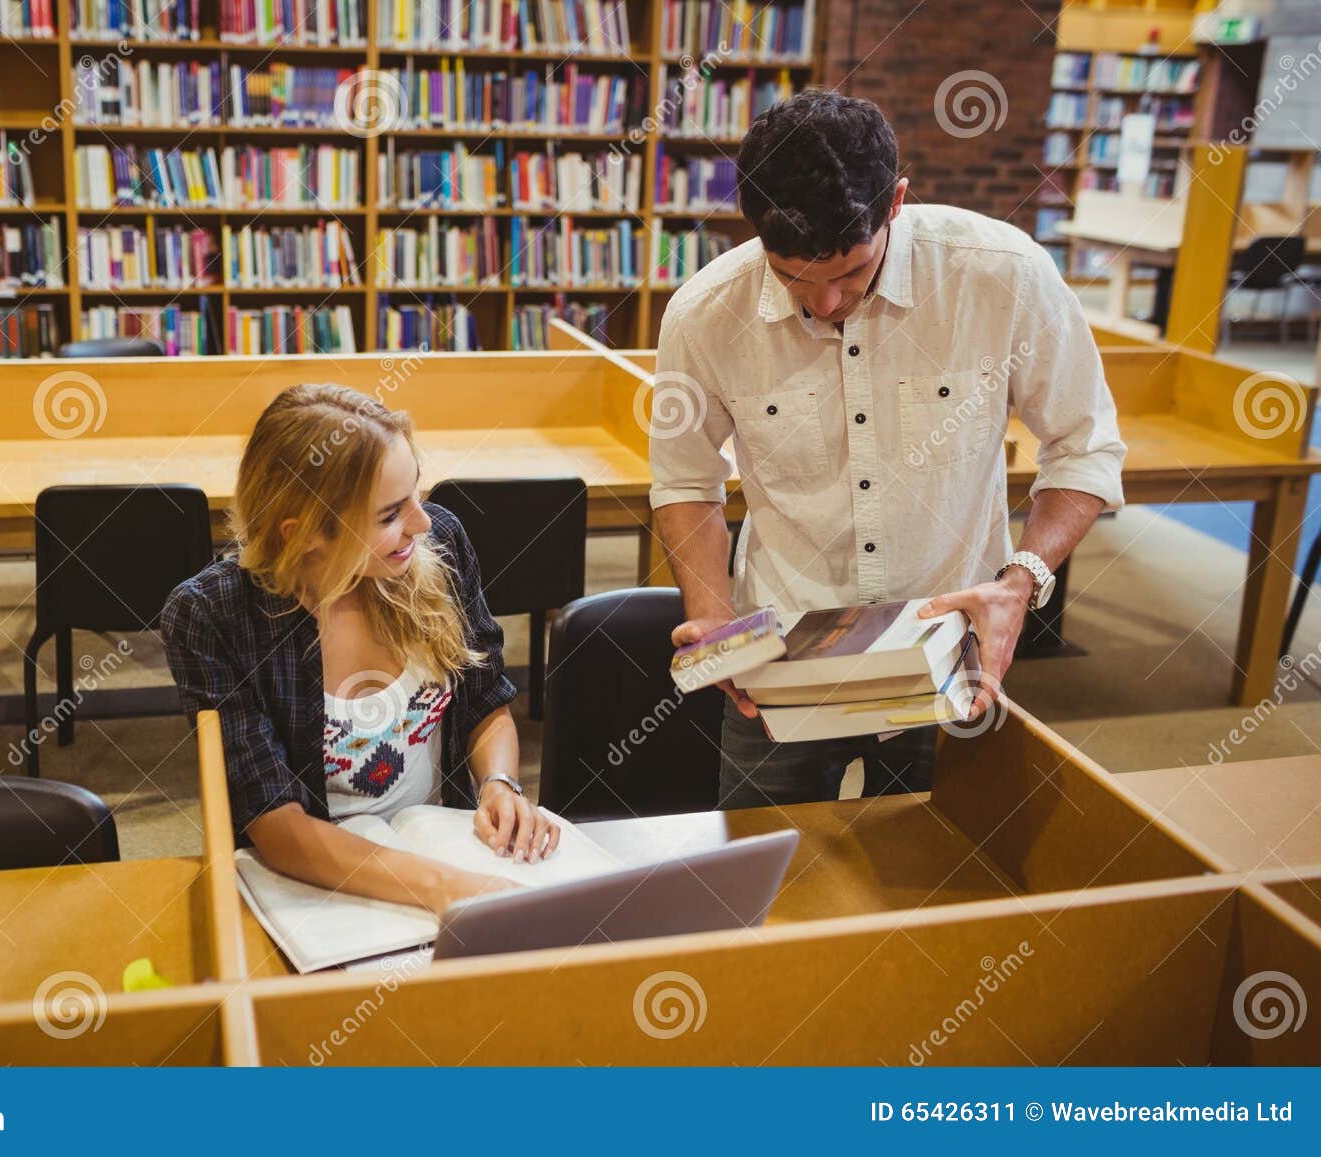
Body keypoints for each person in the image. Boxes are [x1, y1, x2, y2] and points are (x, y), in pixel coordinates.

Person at [649, 89, 1127, 808]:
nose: (824, 304)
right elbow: (688, 481)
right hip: (781, 658)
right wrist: (713, 614)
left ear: (896, 201)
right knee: (762, 889)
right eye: (792, 278)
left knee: (939, 882)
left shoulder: (1000, 276)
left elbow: (1086, 444)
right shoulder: (704, 315)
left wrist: (1020, 579)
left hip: (945, 652)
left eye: (849, 272)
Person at [162, 383, 556, 915]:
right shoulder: (213, 614)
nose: (420, 522)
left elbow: (485, 699)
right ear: (304, 535)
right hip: (323, 887)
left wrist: (499, 785)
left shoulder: (437, 542)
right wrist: (446, 888)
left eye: (416, 493)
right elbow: (276, 823)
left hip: (450, 846)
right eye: (390, 514)